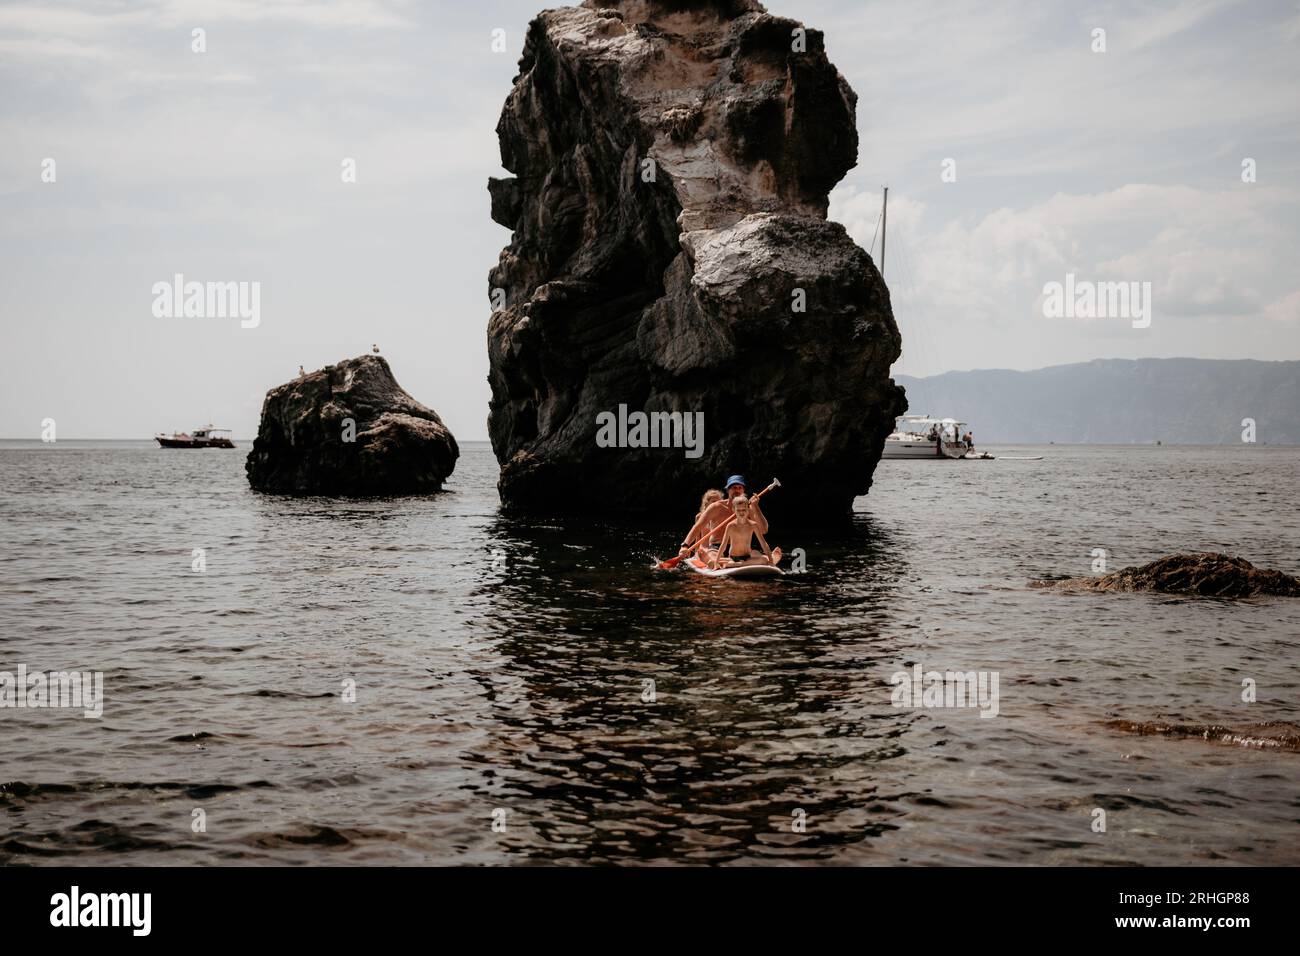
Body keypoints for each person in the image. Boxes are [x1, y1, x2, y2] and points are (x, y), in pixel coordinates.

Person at [678, 475, 767, 562]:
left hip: (742, 549)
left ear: (743, 490)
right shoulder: (716, 507)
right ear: (728, 490)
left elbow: (763, 530)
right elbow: (698, 527)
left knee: (756, 553)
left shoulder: (749, 508)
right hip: (717, 548)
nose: (737, 490)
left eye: (740, 487)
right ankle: (742, 562)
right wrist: (685, 546)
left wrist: (756, 507)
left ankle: (731, 562)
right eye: (734, 488)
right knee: (712, 556)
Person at [708, 495, 780, 569]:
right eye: (738, 510)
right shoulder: (731, 525)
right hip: (733, 557)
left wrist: (771, 561)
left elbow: (763, 543)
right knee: (762, 561)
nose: (741, 513)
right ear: (734, 510)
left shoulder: (753, 525)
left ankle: (733, 564)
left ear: (748, 510)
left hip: (747, 557)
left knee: (764, 560)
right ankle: (722, 562)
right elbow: (723, 545)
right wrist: (716, 562)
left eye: (744, 510)